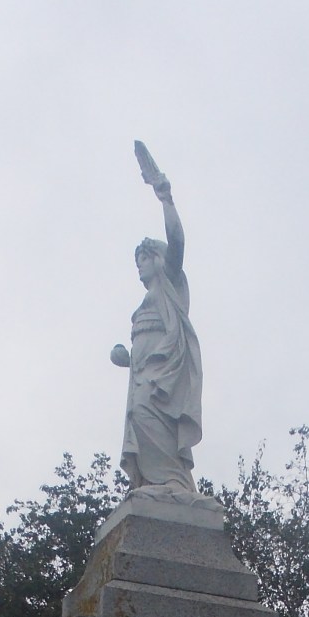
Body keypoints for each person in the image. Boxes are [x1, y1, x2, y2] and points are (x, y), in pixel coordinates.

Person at [110, 144, 202, 495]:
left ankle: (172, 482)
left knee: (150, 415)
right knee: (139, 417)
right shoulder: (147, 300)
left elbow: (177, 241)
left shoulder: (169, 284)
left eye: (143, 259)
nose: (139, 266)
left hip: (164, 376)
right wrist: (129, 358)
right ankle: (153, 482)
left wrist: (165, 198)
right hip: (143, 373)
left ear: (157, 259)